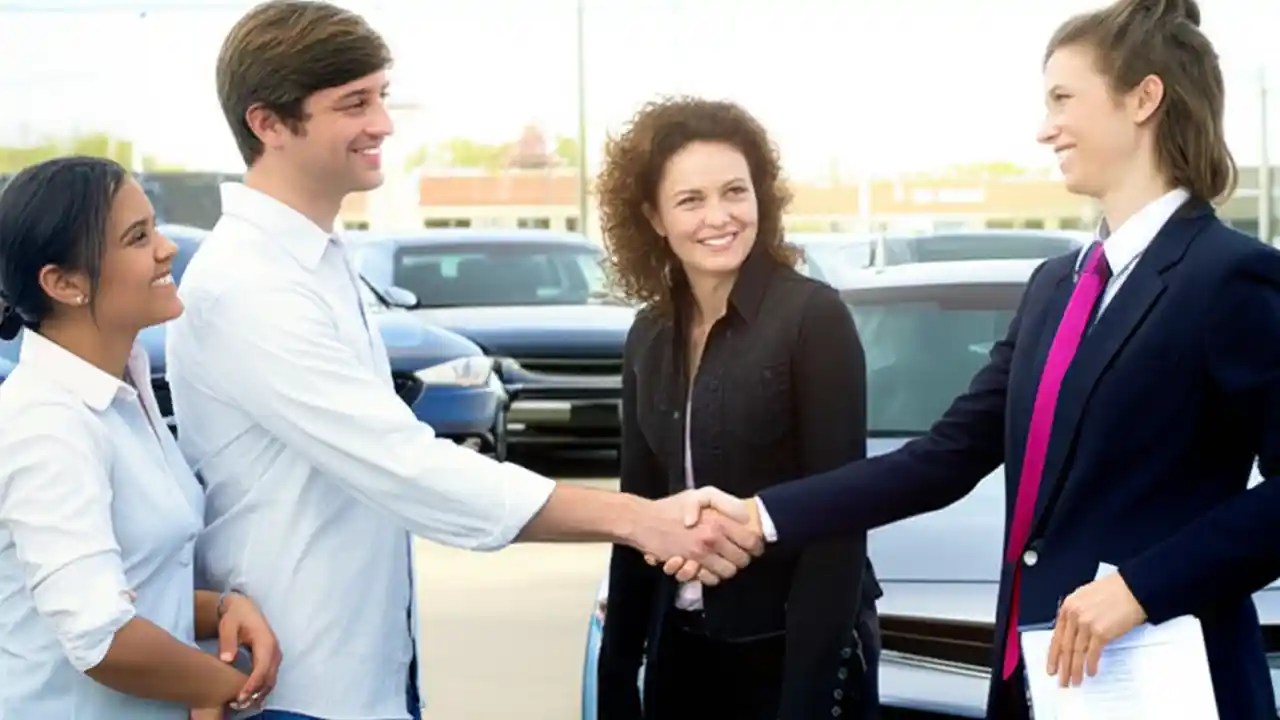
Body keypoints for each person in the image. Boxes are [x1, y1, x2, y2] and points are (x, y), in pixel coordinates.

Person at [661, 1, 1280, 718]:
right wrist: (759, 516)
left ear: (1143, 98)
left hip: (1169, 680)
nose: (1046, 128)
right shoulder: (1056, 287)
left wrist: (1142, 587)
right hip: (1038, 681)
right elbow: (946, 457)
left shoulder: (1228, 277)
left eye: (1062, 98)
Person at [164, 3, 760, 719]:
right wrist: (639, 519)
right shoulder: (248, 284)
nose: (383, 123)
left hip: (361, 668)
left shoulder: (313, 260)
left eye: (381, 96)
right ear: (268, 124)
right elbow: (407, 468)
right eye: (354, 103)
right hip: (295, 685)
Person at [594, 97, 881, 720]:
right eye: (690, 200)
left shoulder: (813, 318)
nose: (719, 217)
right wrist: (615, 675)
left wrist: (805, 701)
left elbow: (841, 518)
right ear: (654, 216)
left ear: (761, 198)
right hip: (680, 651)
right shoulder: (648, 334)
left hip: (790, 652)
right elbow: (636, 512)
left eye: (734, 192)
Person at [0, 156, 282, 719]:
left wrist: (220, 608)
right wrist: (217, 686)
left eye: (154, 228)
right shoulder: (47, 423)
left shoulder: (123, 389)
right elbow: (98, 635)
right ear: (64, 283)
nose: (166, 248)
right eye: (138, 238)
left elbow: (135, 580)